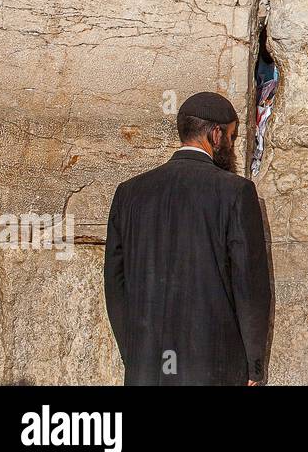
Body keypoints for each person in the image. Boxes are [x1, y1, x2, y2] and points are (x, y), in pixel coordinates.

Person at [104, 91, 272, 385]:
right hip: (214, 370)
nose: (231, 147)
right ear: (216, 135)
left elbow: (115, 286)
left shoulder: (129, 194)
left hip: (147, 370)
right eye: (232, 138)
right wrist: (253, 366)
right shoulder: (236, 193)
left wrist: (134, 356)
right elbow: (249, 286)